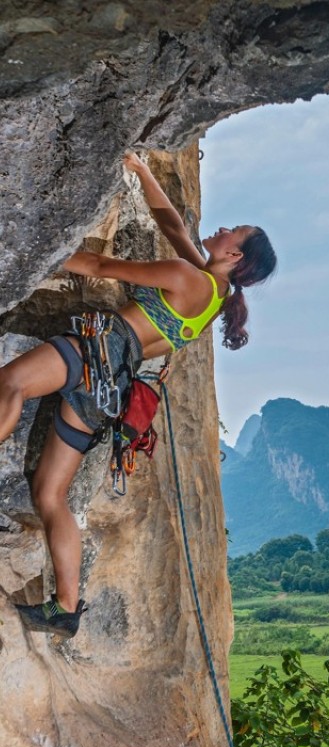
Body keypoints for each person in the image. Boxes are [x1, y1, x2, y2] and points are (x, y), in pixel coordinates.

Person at [9, 151, 277, 639]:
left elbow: (98, 264)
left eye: (232, 231)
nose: (221, 229)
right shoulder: (214, 294)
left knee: (10, 384)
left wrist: (30, 252)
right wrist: (143, 170)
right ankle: (65, 609)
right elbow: (173, 224)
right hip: (110, 389)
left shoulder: (187, 276)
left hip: (97, 351)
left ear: (235, 255)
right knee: (50, 494)